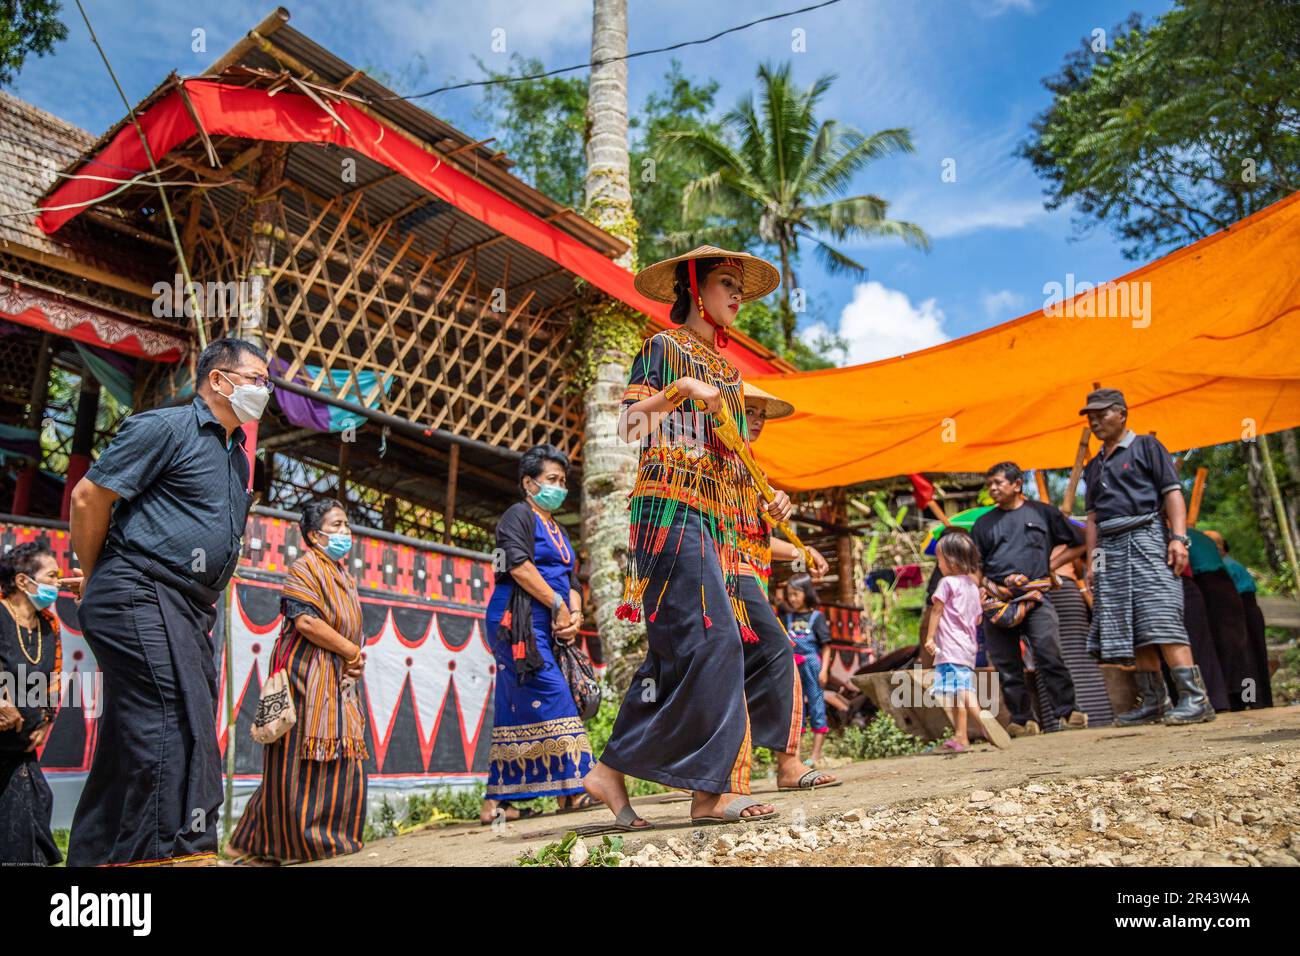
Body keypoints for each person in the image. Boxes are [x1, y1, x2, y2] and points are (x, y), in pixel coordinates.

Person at [583, 246, 785, 829]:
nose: (737, 296)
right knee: (717, 641)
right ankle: (707, 794)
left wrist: (766, 498)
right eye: (727, 283)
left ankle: (611, 771)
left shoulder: (731, 375)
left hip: (715, 519)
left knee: (681, 649)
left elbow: (734, 461)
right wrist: (680, 392)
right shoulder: (662, 349)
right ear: (696, 289)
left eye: (740, 288)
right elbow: (628, 425)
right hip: (666, 510)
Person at [67, 337, 267, 866]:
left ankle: (97, 861)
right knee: (169, 717)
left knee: (139, 732)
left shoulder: (237, 460)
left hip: (187, 607)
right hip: (138, 586)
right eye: (256, 379)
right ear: (219, 381)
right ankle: (162, 857)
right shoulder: (165, 428)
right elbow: (89, 497)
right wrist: (95, 575)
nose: (263, 391)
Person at [226, 498, 369, 863]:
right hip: (304, 676)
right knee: (295, 759)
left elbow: (350, 630)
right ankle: (293, 844)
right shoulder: (305, 568)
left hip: (337, 678)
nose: (344, 532)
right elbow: (306, 622)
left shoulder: (344, 576)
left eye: (345, 524)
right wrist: (350, 652)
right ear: (313, 535)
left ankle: (322, 839)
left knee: (340, 754)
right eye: (336, 525)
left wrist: (353, 659)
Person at [1081, 387, 1213, 725]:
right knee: (1129, 624)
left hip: (1148, 537)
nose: (1095, 421)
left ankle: (1195, 700)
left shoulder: (1147, 447)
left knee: (1161, 616)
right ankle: (1155, 702)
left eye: (1101, 414)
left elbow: (1172, 492)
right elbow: (1093, 518)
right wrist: (1093, 563)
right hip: (1109, 547)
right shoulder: (1093, 466)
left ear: (1122, 413)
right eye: (1091, 417)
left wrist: (1179, 539)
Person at [479, 444, 595, 824]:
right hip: (516, 622)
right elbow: (517, 565)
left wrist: (574, 612)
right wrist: (557, 605)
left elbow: (572, 580)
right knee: (552, 690)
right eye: (551, 480)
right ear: (529, 483)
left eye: (562, 481)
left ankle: (500, 801)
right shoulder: (518, 516)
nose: (558, 487)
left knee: (515, 703)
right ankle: (577, 787)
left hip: (548, 621)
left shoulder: (559, 530)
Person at [739, 381, 838, 791]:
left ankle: (782, 763)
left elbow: (757, 539)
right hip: (721, 578)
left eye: (763, 413)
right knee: (777, 651)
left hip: (745, 579)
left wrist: (803, 552)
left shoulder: (751, 468)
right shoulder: (712, 462)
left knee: (738, 667)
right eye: (750, 410)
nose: (758, 420)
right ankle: (783, 763)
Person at [971, 462, 1089, 736]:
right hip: (996, 600)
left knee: (1049, 653)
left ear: (1017, 484)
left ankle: (1068, 713)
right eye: (990, 484)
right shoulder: (983, 524)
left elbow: (1079, 542)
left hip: (1037, 596)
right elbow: (975, 565)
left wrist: (1050, 564)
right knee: (1006, 663)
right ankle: (1023, 720)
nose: (993, 488)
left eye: (998, 482)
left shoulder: (1043, 513)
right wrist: (985, 587)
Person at [0, 543, 74, 865]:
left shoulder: (49, 626)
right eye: (51, 576)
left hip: (19, 752)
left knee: (29, 818)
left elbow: (54, 677)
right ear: (22, 581)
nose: (57, 583)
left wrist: (47, 719)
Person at [922, 532, 1009, 753]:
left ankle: (984, 723)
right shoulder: (972, 586)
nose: (939, 565)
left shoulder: (946, 583)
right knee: (956, 691)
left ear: (951, 560)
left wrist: (930, 638)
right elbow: (977, 619)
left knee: (963, 689)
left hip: (950, 648)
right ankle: (961, 737)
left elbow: (937, 610)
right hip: (968, 648)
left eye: (939, 560)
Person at [1203, 530, 1272, 708]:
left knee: (1246, 659)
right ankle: (1251, 701)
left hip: (1241, 612)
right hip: (1239, 613)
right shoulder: (1224, 565)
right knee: (1246, 659)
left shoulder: (1225, 566)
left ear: (1221, 548)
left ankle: (1251, 700)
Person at [783, 574, 833, 767]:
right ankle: (796, 757)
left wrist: (824, 671)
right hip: (793, 667)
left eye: (796, 594)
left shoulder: (816, 617)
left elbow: (826, 646)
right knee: (796, 710)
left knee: (816, 706)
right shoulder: (786, 618)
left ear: (807, 593)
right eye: (790, 595)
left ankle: (815, 755)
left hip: (813, 666)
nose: (792, 598)